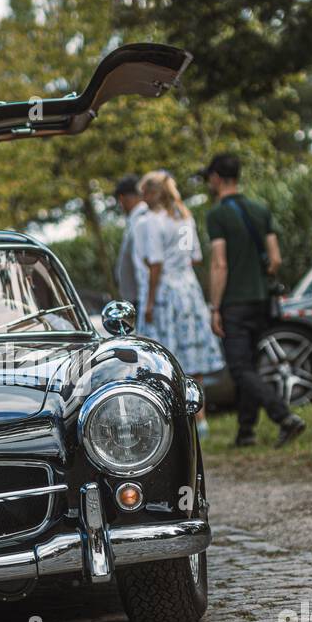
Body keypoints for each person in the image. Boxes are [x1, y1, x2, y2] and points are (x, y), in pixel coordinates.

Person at [201, 153, 306, 448]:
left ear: (218, 178)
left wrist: (215, 307)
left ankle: (285, 417)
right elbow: (275, 259)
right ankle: (245, 433)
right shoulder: (260, 210)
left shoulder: (217, 215)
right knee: (249, 367)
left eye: (210, 176)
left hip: (234, 302)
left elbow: (219, 263)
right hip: (260, 300)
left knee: (239, 368)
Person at [137, 170, 226, 437]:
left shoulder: (151, 222)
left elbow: (155, 264)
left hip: (166, 292)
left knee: (166, 356)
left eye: (144, 193)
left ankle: (175, 423)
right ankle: (201, 420)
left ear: (152, 194)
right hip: (189, 290)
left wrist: (150, 302)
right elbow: (194, 257)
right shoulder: (184, 218)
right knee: (192, 357)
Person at [113, 175, 151, 309]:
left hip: (141, 296)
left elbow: (143, 262)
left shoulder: (141, 220)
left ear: (122, 198)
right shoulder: (135, 219)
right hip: (138, 295)